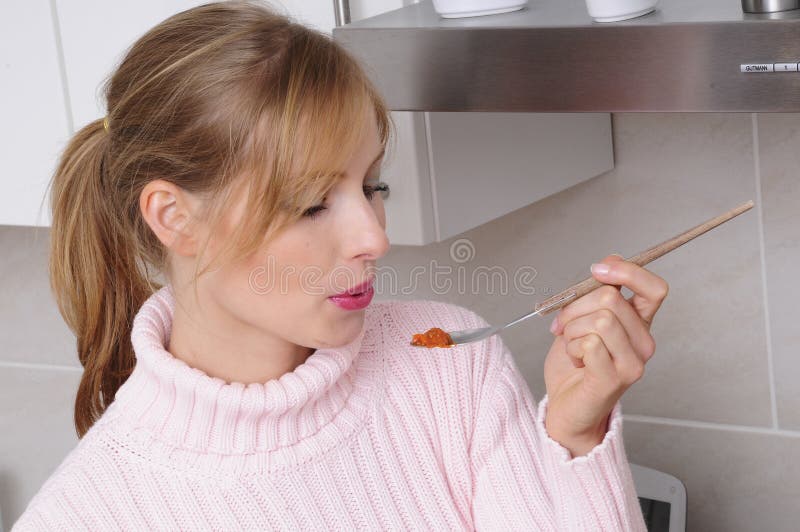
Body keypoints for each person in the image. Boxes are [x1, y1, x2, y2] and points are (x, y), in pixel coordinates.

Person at [14, 1, 669, 530]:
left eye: (372, 186)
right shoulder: (86, 515)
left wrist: (574, 435)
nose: (373, 238)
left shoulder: (447, 366)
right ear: (174, 218)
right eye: (310, 203)